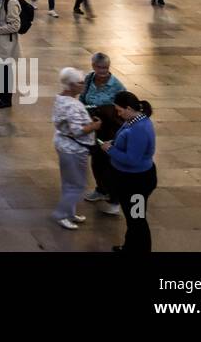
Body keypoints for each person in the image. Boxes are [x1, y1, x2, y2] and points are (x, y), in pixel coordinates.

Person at [99, 91, 157, 252]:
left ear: (129, 108)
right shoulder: (134, 120)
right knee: (132, 218)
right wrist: (115, 143)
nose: (118, 114)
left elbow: (132, 159)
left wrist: (110, 149)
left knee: (137, 220)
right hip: (129, 181)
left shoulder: (139, 129)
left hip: (137, 183)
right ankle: (130, 247)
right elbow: (125, 141)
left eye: (119, 110)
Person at [52, 67, 100, 230]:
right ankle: (62, 214)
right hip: (73, 149)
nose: (83, 85)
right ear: (71, 85)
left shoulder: (60, 99)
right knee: (78, 184)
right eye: (80, 83)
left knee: (69, 182)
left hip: (64, 144)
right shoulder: (72, 105)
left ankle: (70, 212)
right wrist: (94, 125)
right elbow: (78, 131)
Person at [81, 52, 125, 213]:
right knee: (97, 160)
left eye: (105, 68)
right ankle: (100, 189)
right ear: (93, 66)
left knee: (109, 163)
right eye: (99, 67)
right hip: (93, 126)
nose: (103, 71)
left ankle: (115, 197)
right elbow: (83, 98)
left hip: (109, 128)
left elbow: (124, 108)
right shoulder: (89, 79)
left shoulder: (117, 86)